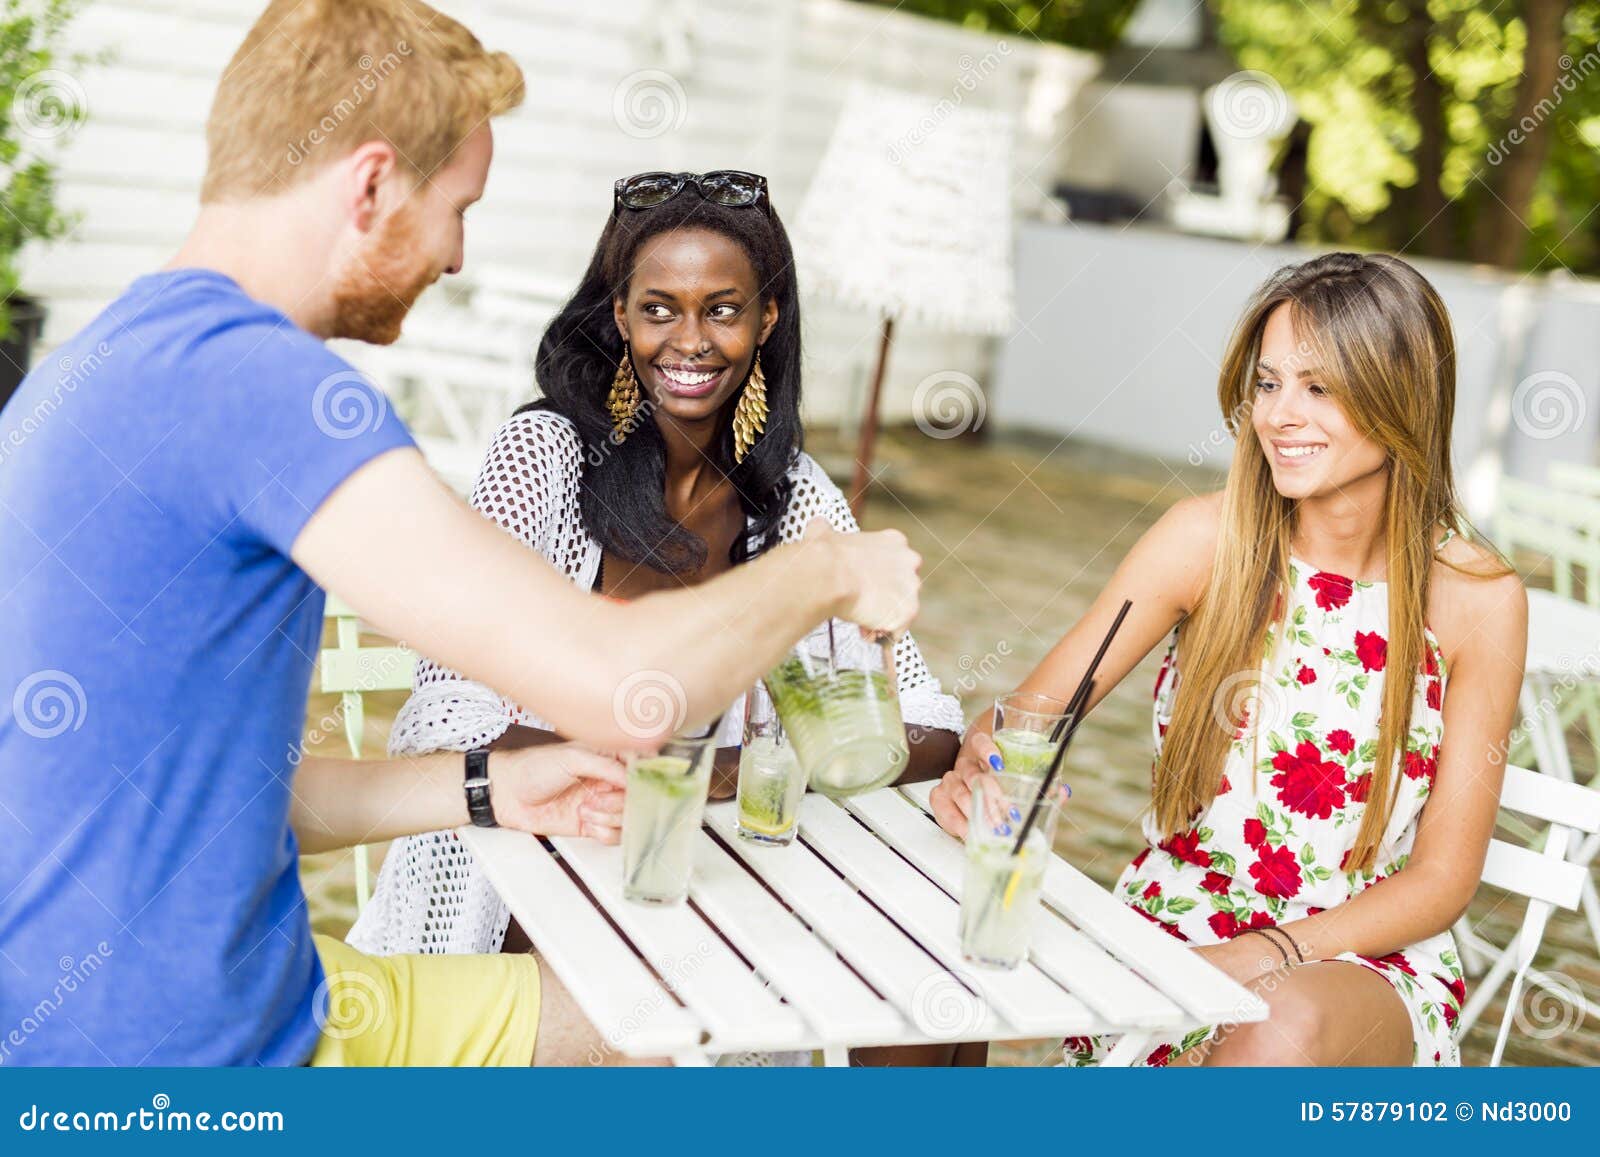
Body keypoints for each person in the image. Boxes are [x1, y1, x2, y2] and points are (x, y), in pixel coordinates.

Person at [0, 0, 920, 1067]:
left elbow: (227, 787)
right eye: (458, 207)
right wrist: (828, 566)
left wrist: (486, 782)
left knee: (673, 1005)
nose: (455, 255)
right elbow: (617, 684)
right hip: (180, 1066)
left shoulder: (89, 363)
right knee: (709, 1022)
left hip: (238, 994)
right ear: (373, 183)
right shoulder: (261, 385)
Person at [348, 171, 962, 967]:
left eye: (724, 308)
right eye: (659, 308)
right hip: (510, 895)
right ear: (621, 315)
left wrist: (734, 769)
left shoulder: (794, 499)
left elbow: (928, 727)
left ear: (767, 318)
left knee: (920, 971)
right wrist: (675, 754)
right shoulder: (546, 457)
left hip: (702, 903)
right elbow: (445, 722)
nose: (691, 340)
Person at [931, 252, 1526, 1067]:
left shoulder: (1476, 597)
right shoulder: (1205, 541)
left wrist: (1272, 952)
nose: (1281, 414)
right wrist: (982, 758)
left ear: (1402, 398)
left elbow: (1444, 878)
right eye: (1269, 382)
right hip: (1175, 923)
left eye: (1320, 387)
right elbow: (1031, 716)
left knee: (1281, 1026)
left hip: (1363, 958)